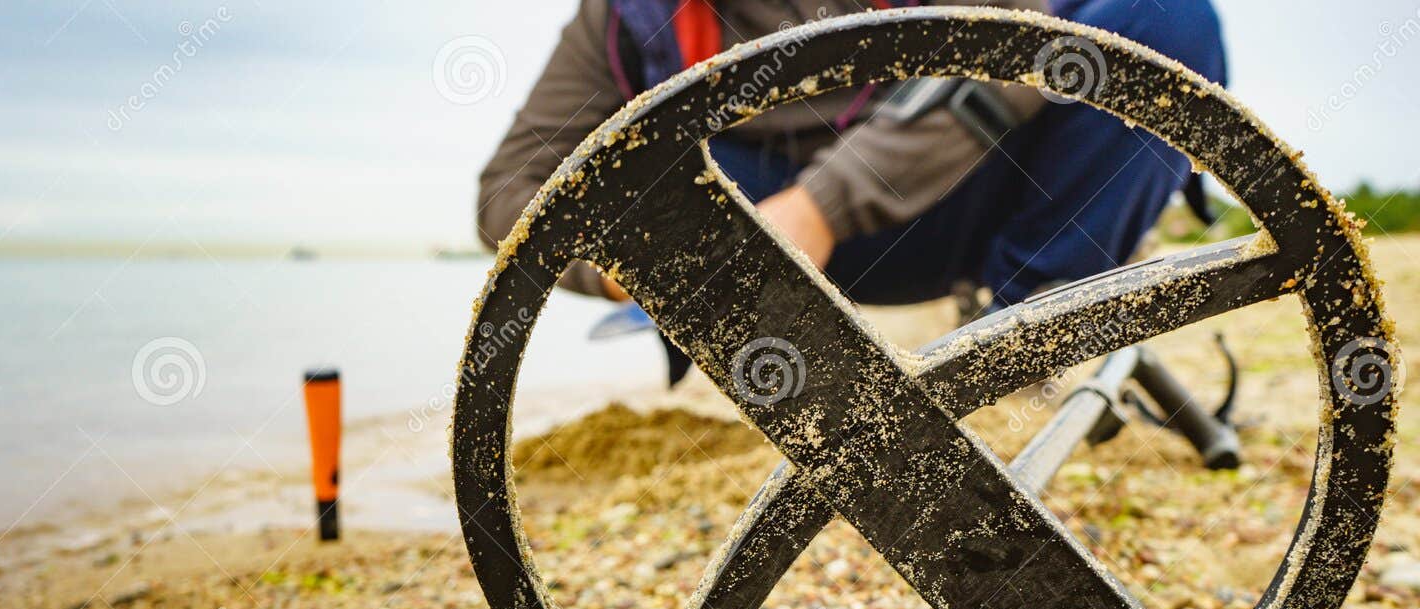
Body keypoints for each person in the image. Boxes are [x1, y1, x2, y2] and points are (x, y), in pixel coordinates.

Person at [477, 0, 1227, 382]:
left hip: (958, 199)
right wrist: (637, 262)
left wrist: (822, 207)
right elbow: (508, 188)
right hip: (744, 239)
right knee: (638, 169)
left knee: (1161, 13)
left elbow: (1023, 26)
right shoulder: (623, 17)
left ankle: (1032, 343)